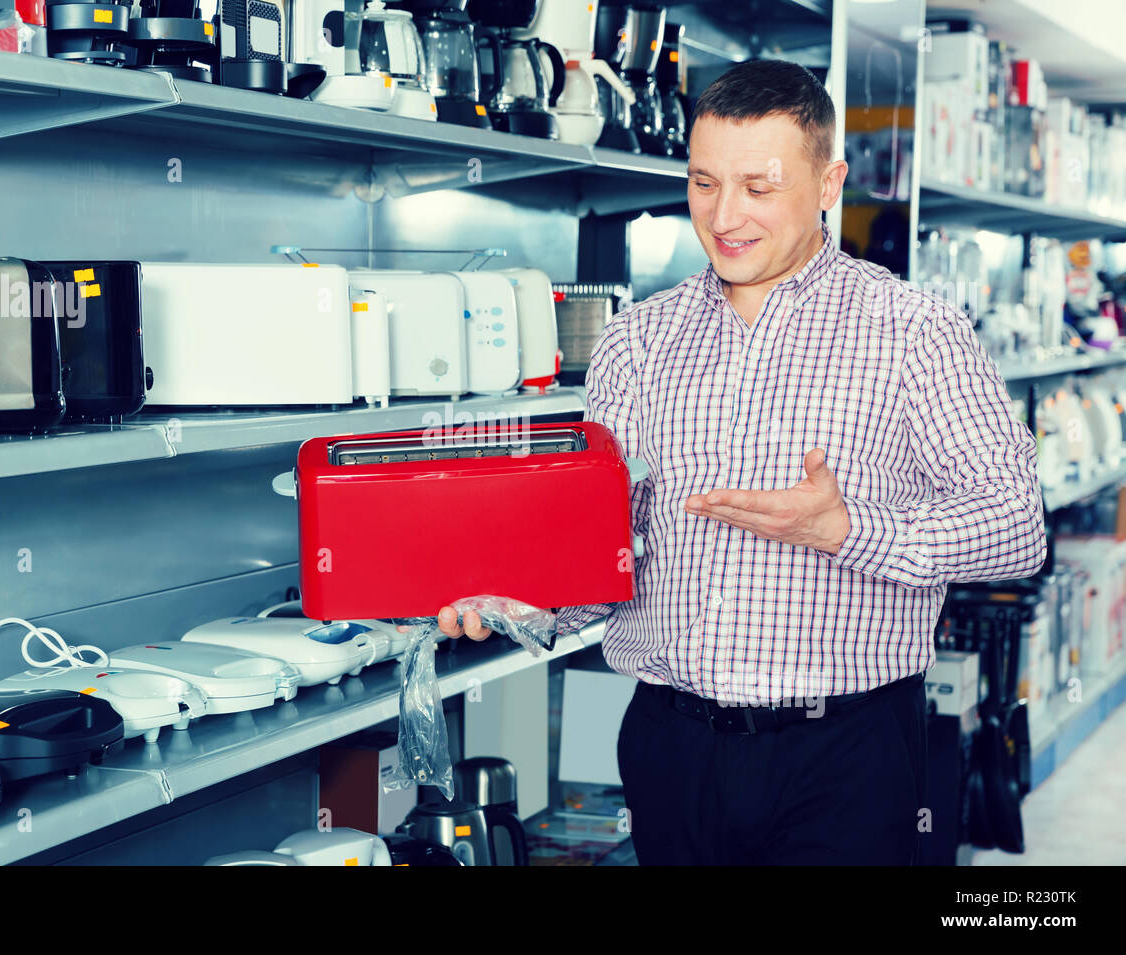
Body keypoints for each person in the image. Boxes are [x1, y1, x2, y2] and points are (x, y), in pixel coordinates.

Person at [420, 59, 1046, 865]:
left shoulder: (914, 331)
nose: (724, 216)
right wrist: (524, 603)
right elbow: (609, 547)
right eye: (704, 182)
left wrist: (845, 528)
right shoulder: (638, 340)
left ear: (829, 183)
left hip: (847, 753)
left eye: (759, 187)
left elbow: (1014, 527)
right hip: (671, 746)